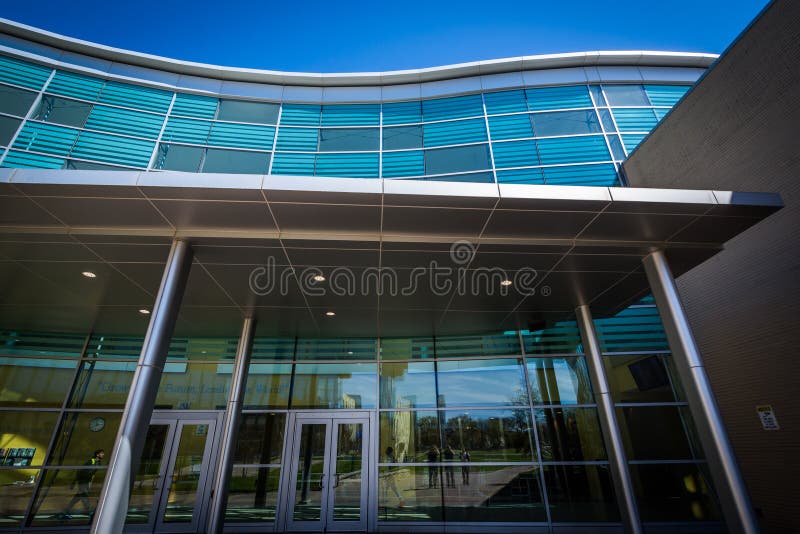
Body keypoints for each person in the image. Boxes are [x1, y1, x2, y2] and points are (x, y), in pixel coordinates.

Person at [61, 449, 105, 519]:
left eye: (103, 453)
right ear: (97, 455)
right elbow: (80, 471)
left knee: (78, 496)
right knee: (84, 495)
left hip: (87, 481)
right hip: (83, 481)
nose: (103, 455)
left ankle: (66, 511)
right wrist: (74, 482)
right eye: (102, 453)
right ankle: (88, 511)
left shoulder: (99, 463)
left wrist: (90, 482)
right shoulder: (91, 461)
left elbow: (93, 474)